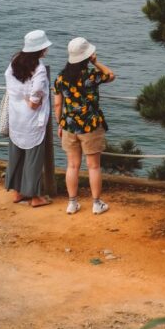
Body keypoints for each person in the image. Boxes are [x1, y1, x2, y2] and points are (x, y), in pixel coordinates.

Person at [53, 37, 116, 215]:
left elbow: (58, 105)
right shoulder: (91, 77)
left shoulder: (60, 78)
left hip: (69, 127)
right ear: (87, 57)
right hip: (91, 126)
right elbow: (111, 75)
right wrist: (96, 63)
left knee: (72, 165)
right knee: (93, 166)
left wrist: (60, 124)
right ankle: (96, 204)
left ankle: (72, 203)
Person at [4, 29, 53, 207]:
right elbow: (34, 103)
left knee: (16, 155)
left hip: (16, 116)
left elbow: (11, 87)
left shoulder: (14, 64)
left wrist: (20, 97)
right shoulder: (39, 70)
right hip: (32, 120)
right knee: (33, 158)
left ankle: (17, 193)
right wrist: (28, 98)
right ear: (40, 50)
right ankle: (34, 197)